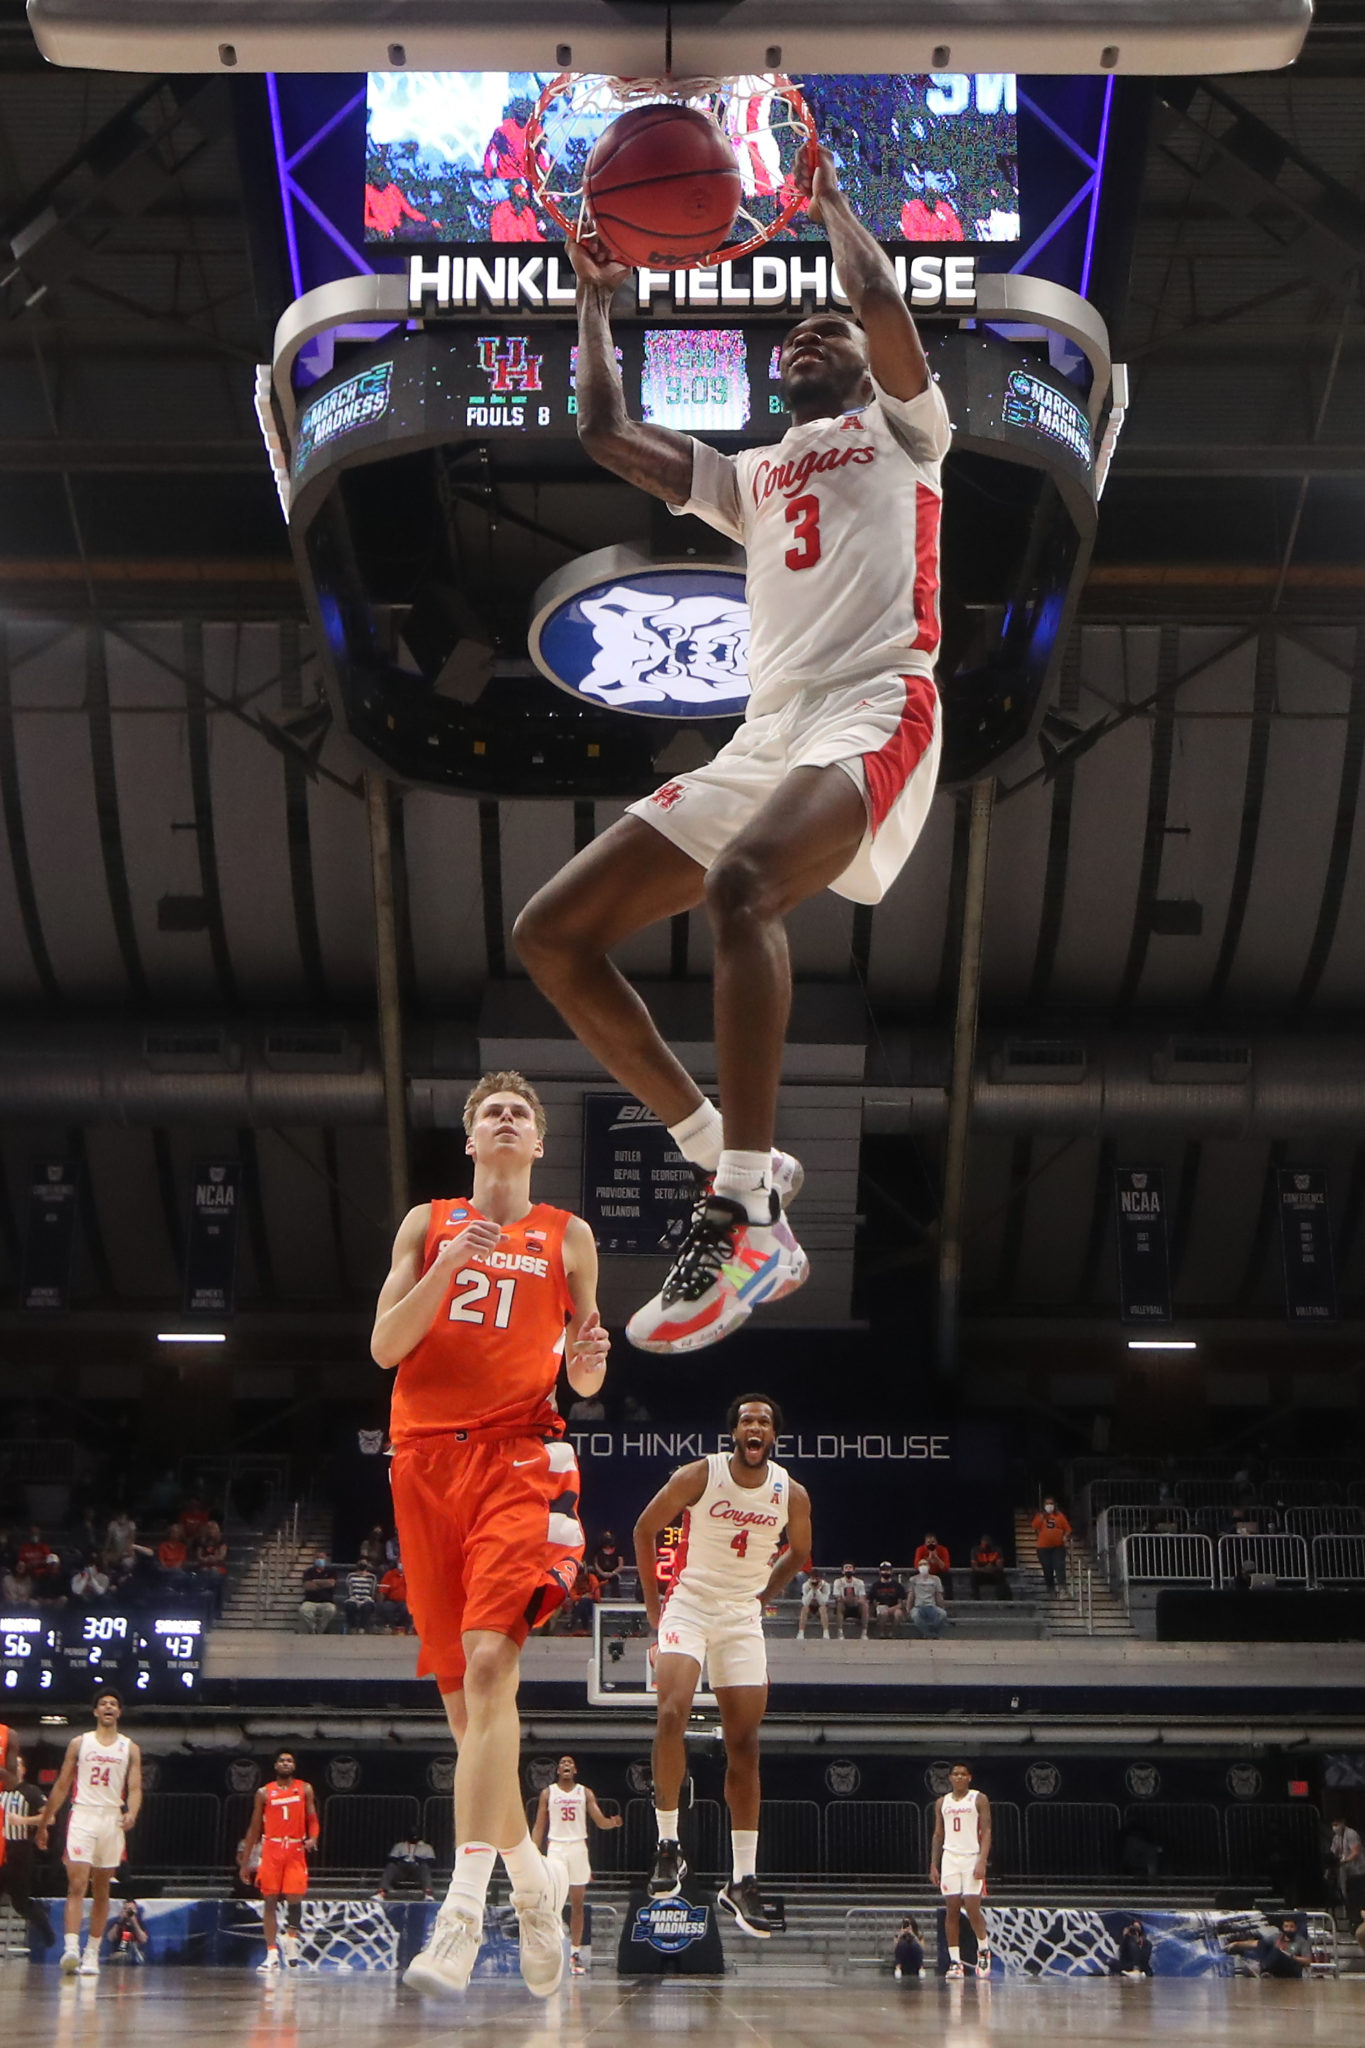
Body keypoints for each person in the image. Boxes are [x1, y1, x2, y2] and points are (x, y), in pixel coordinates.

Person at [514, 144, 950, 1360]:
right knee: (549, 935)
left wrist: (827, 205)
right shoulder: (754, 474)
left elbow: (875, 296)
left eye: (832, 329)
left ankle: (749, 1206)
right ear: (775, 371)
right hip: (767, 732)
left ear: (868, 362)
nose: (816, 334)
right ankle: (716, 1147)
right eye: (797, 336)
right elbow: (605, 431)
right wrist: (596, 305)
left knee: (742, 885)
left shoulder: (911, 432)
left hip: (875, 703)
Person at [371, 1070, 610, 2001]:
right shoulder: (425, 1223)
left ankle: (461, 1917)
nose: (505, 1119)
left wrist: (588, 1361)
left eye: (520, 1113)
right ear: (470, 1140)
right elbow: (387, 1348)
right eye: (489, 1112)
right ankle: (536, 1888)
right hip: (422, 1466)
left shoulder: (567, 1234)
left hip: (520, 1455)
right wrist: (447, 1264)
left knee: (486, 1668)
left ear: (538, 1144)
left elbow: (583, 1377)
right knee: (470, 1721)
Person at [633, 1394, 812, 1937]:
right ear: (734, 1432)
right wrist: (653, 1611)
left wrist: (764, 1596)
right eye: (745, 1420)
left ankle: (742, 1881)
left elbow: (799, 1553)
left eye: (763, 1420)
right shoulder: (700, 1474)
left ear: (774, 1436)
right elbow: (645, 1529)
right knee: (671, 1714)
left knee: (745, 1743)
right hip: (688, 1603)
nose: (754, 1426)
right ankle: (668, 1845)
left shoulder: (792, 1493)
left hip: (740, 1615)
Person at [37, 1687, 142, 1978]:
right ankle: (71, 1947)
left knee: (102, 1889)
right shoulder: (79, 1743)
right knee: (76, 1884)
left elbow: (134, 1788)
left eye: (113, 1704)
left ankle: (92, 1953)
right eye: (103, 1703)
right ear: (95, 1711)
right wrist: (46, 1821)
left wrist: (131, 1812)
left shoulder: (129, 1747)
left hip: (111, 1818)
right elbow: (61, 1785)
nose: (108, 1707)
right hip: (83, 1814)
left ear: (119, 1712)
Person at [532, 1754, 623, 1974]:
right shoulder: (548, 1793)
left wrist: (611, 1823)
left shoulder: (584, 1792)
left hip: (578, 1847)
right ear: (557, 1771)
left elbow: (599, 1820)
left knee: (578, 1903)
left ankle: (575, 1953)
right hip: (556, 1847)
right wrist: (533, 1851)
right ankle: (552, 1949)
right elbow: (539, 1825)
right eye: (562, 1763)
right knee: (553, 1902)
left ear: (575, 1771)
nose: (566, 1765)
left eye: (570, 1763)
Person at [238, 1748, 319, 1973]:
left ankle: (290, 1936)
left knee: (296, 1897)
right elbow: (254, 1828)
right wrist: (246, 1862)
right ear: (275, 1765)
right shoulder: (264, 1793)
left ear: (294, 1765)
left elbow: (312, 1817)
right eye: (282, 1760)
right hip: (272, 1848)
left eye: (289, 1760)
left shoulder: (304, 1788)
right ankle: (272, 1952)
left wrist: (313, 1837)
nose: (285, 1763)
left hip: (295, 1848)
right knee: (270, 1901)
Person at [930, 1762, 992, 1979]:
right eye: (954, 1774)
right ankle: (955, 1962)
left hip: (971, 1857)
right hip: (950, 1858)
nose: (958, 1777)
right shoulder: (942, 1802)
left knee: (973, 1907)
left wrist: (982, 1860)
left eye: (962, 1774)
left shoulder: (978, 1799)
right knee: (952, 1909)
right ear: (950, 1778)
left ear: (969, 1777)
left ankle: (983, 1949)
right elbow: (938, 1834)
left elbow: (986, 1830)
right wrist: (933, 1863)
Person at [0, 1750, 56, 1952]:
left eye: (17, 1765)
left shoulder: (30, 1791)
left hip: (19, 1850)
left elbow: (50, 1817)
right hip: (1, 1848)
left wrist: (24, 1821)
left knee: (20, 1903)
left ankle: (48, 1933)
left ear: (23, 1770)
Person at [376, 1833, 437, 1901]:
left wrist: (420, 1860)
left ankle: (428, 1894)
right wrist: (400, 1859)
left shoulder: (427, 1847)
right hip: (401, 1870)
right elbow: (391, 1859)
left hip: (417, 1870)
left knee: (425, 1867)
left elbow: (432, 1861)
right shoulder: (400, 1845)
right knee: (391, 1866)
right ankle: (381, 1893)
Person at [1032, 1496, 1072, 1592]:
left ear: (1054, 1505)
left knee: (1059, 1566)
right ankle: (1050, 1588)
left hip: (1058, 1547)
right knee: (1047, 1568)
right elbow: (1034, 1526)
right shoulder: (1039, 1516)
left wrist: (1065, 1536)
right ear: (1044, 1505)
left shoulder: (1060, 1516)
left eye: (1051, 1504)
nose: (1049, 1506)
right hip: (1043, 1548)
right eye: (1047, 1504)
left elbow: (1068, 1529)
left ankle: (1062, 1588)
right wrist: (1042, 1517)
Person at [298, 1555, 341, 1634]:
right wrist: (324, 1583)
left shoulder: (331, 1571)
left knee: (331, 1609)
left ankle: (320, 1628)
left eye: (322, 1558)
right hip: (310, 1601)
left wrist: (315, 1582)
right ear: (314, 1559)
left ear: (326, 1559)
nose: (320, 1560)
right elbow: (307, 1586)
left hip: (326, 1601)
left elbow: (331, 1583)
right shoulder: (309, 1571)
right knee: (303, 1610)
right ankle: (313, 1627)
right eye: (318, 1558)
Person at [907, 1560, 948, 1639]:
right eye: (921, 1564)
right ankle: (926, 1634)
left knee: (943, 1614)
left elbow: (938, 1594)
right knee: (915, 1615)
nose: (923, 1566)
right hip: (918, 1606)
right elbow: (911, 1595)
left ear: (929, 1566)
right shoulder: (913, 1579)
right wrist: (908, 1609)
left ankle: (933, 1633)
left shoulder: (936, 1579)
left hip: (931, 1606)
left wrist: (942, 1607)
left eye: (925, 1564)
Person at [104, 1896, 149, 1963]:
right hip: (119, 1955)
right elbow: (110, 1938)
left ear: (136, 1911)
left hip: (136, 1954)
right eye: (126, 1909)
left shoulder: (140, 1922)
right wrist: (119, 1921)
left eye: (131, 1910)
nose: (128, 1912)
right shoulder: (117, 1923)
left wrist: (134, 1922)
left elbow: (143, 1940)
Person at [868, 1562, 907, 1636]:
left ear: (891, 1571)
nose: (886, 1572)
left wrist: (893, 1608)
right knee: (883, 1612)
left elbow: (903, 1601)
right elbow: (870, 1600)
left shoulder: (897, 1585)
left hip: (895, 1607)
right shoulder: (876, 1585)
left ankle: (892, 1633)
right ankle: (881, 1633)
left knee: (898, 1614)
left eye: (888, 1570)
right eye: (883, 1570)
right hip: (881, 1607)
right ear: (880, 1572)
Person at [833, 1563, 869, 1640]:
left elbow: (862, 1597)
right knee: (839, 1605)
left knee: (865, 1605)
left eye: (850, 1567)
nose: (848, 1569)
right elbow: (837, 1597)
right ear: (842, 1571)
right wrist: (848, 1599)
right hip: (844, 1606)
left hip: (856, 1605)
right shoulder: (838, 1581)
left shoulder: (859, 1582)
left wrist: (855, 1600)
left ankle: (864, 1633)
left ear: (854, 1570)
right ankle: (840, 1633)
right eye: (846, 1568)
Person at [970, 1534, 1011, 1601]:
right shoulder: (975, 1550)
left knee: (1001, 1575)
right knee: (973, 1575)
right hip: (981, 1573)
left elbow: (1000, 1566)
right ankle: (976, 1600)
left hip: (993, 1573)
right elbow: (974, 1566)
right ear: (981, 1543)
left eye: (987, 1544)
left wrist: (992, 1568)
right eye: (984, 1544)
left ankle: (1002, 1600)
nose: (986, 1546)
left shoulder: (997, 1550)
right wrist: (984, 1569)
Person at [912, 1533, 953, 1600]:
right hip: (925, 1573)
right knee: (914, 1575)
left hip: (939, 1572)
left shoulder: (943, 1549)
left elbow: (946, 1567)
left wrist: (937, 1558)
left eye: (933, 1542)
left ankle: (949, 1600)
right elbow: (917, 1566)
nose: (931, 1544)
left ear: (936, 1542)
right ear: (925, 1543)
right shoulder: (920, 1549)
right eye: (928, 1542)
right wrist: (928, 1559)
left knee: (947, 1575)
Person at [343, 1560, 380, 1634]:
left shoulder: (372, 1577)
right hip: (354, 1598)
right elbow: (349, 1589)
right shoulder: (350, 1576)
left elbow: (372, 1591)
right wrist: (354, 1598)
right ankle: (352, 1627)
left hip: (366, 1598)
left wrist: (367, 1599)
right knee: (349, 1605)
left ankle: (362, 1628)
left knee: (367, 1606)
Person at [797, 1568, 832, 1640]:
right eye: (812, 1578)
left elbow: (823, 1601)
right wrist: (812, 1589)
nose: (814, 1580)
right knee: (804, 1609)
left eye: (816, 1578)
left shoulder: (826, 1586)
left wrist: (817, 1590)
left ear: (820, 1578)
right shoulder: (805, 1585)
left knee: (823, 1608)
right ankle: (801, 1633)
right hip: (810, 1607)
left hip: (820, 1607)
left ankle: (826, 1633)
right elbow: (805, 1602)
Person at [377, 1560, 411, 1633]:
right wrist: (379, 1603)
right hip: (392, 1601)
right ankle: (390, 1627)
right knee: (386, 1607)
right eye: (400, 1562)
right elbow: (382, 1590)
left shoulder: (410, 1575)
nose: (401, 1564)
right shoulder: (390, 1574)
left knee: (406, 1608)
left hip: (405, 1602)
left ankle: (403, 1627)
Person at [591, 1531, 623, 1597]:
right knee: (599, 1581)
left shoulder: (617, 1550)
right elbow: (596, 1563)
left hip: (613, 1573)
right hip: (601, 1573)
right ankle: (599, 1596)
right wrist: (602, 1573)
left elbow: (620, 1564)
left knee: (615, 1579)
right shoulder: (598, 1550)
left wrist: (613, 1573)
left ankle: (615, 1598)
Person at [893, 1913, 923, 1979]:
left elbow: (922, 1948)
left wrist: (913, 1935)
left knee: (914, 1944)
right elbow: (895, 1948)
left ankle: (921, 1968)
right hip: (903, 1957)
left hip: (914, 1956)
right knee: (901, 1944)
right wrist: (900, 1934)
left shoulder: (918, 1936)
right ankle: (898, 1967)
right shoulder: (898, 1936)